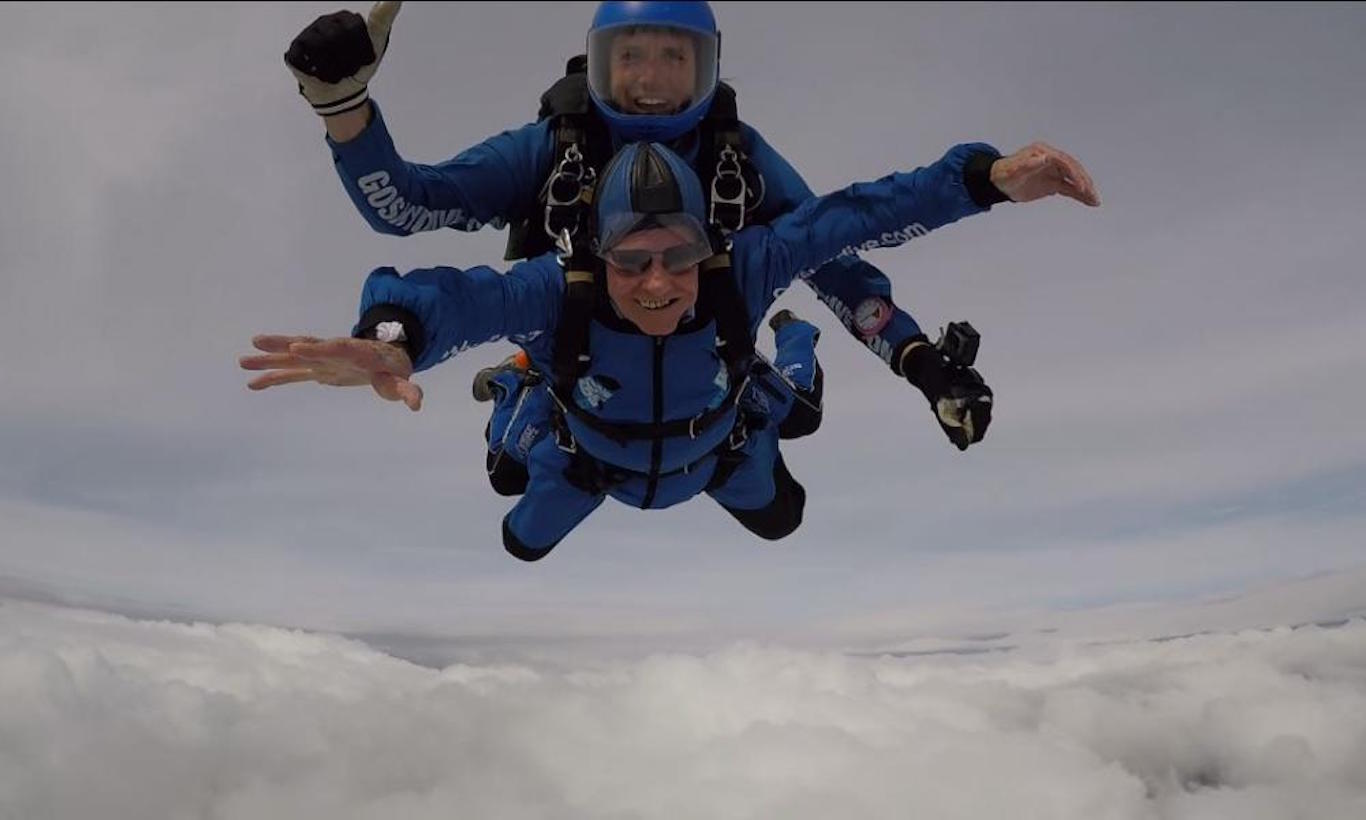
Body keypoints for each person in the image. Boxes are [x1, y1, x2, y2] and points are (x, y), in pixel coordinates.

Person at [279, 0, 1102, 471]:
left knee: (775, 451)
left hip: (700, 339)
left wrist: (922, 361)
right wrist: (344, 110)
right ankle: (527, 382)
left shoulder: (735, 157)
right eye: (631, 58)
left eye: (674, 60)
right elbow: (408, 207)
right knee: (524, 473)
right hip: (567, 328)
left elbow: (842, 245)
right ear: (598, 64)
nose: (648, 82)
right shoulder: (554, 147)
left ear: (707, 68)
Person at [240, 136, 1056, 561]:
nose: (659, 283)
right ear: (598, 255)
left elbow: (860, 212)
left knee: (785, 513)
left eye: (680, 257)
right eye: (631, 261)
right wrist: (392, 339)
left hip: (717, 450)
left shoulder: (745, 272)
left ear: (710, 247)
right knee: (517, 531)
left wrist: (985, 179)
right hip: (590, 462)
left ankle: (794, 342)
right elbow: (452, 297)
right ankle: (519, 387)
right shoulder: (558, 292)